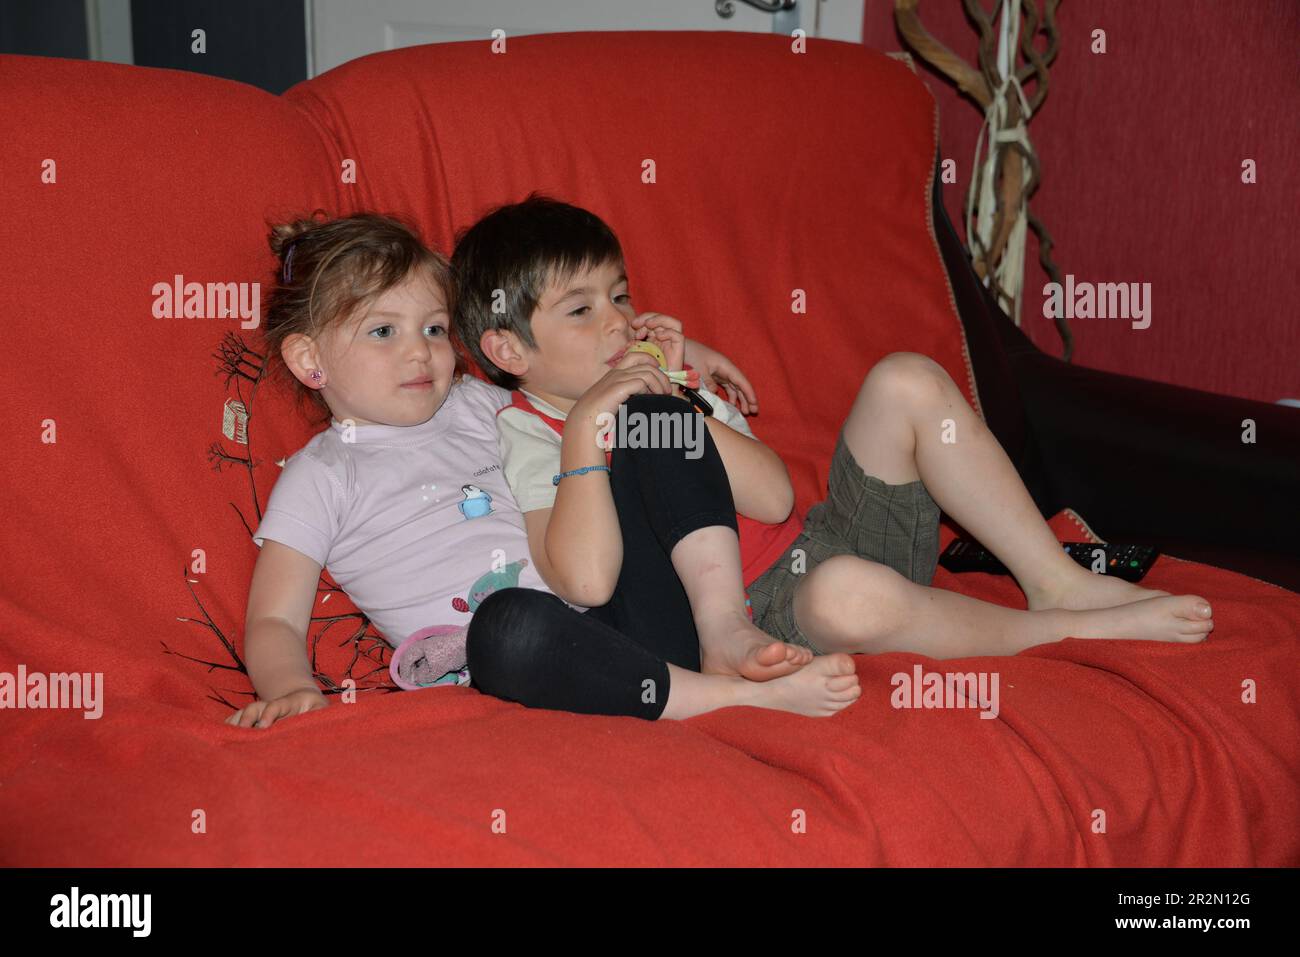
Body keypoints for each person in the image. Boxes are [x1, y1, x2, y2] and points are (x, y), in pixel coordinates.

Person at [451, 194, 1215, 667]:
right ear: (509, 351)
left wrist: (677, 396)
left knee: (905, 377)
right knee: (847, 594)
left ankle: (1056, 583)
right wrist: (596, 423)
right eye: (582, 310)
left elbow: (777, 495)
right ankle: (1059, 640)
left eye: (621, 294)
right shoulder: (530, 434)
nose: (619, 320)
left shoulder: (672, 389)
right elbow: (582, 577)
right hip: (763, 609)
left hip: (823, 539)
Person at [226, 212, 860, 730]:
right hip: (547, 656)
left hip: (631, 603)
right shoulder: (319, 475)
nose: (420, 350)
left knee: (643, 415)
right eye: (384, 331)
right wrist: (290, 689)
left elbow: (573, 375)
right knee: (506, 622)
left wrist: (679, 359)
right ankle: (734, 700)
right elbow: (276, 618)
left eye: (436, 327)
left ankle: (724, 628)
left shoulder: (475, 404)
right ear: (311, 359)